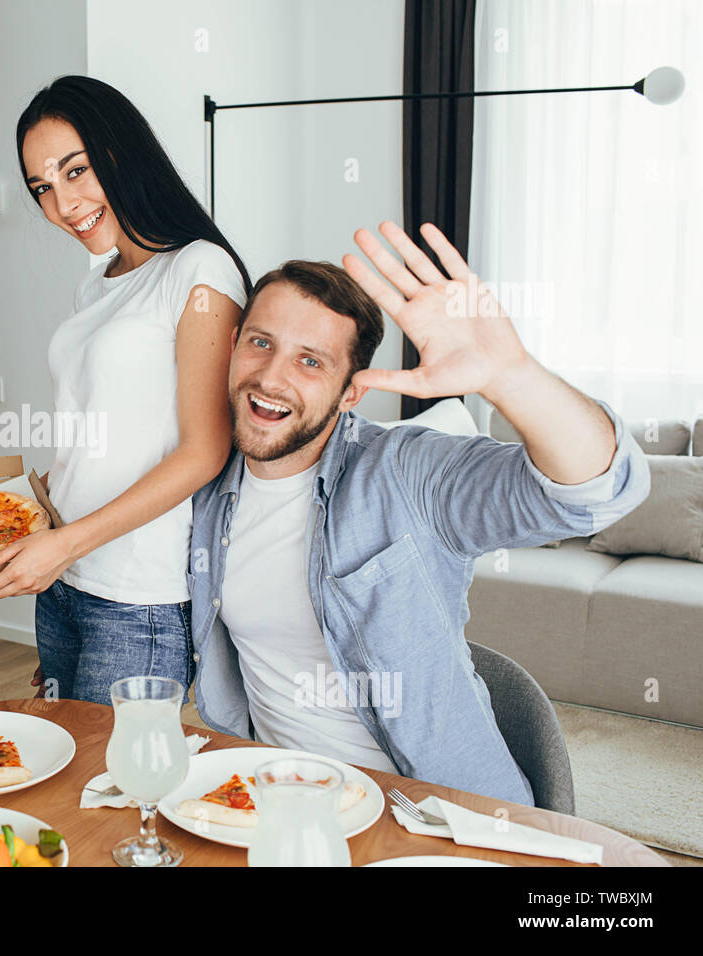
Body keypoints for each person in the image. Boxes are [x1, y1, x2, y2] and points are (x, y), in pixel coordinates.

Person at [190, 221, 650, 806]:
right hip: (280, 805)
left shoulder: (404, 472)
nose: (271, 377)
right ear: (232, 346)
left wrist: (512, 376)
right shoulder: (206, 478)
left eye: (311, 362)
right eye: (261, 343)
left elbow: (597, 492)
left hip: (433, 813)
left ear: (351, 391)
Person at [0, 75, 251, 707]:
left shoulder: (199, 268)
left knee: (110, 795)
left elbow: (205, 451)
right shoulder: (95, 287)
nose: (63, 205)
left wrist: (64, 543)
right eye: (42, 187)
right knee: (66, 780)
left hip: (135, 595)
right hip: (63, 578)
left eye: (76, 171)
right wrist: (42, 500)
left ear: (122, 153)